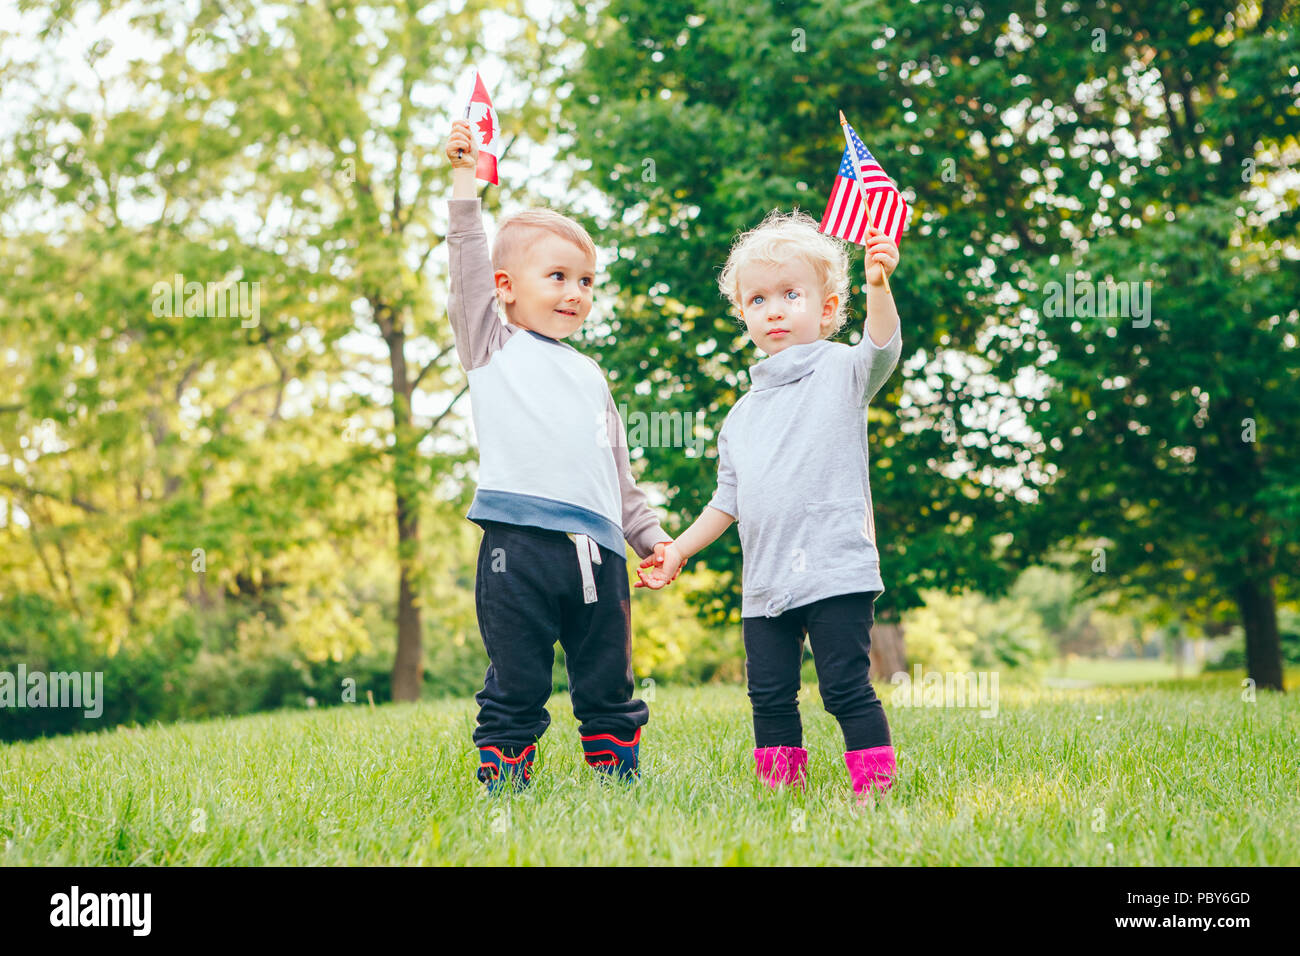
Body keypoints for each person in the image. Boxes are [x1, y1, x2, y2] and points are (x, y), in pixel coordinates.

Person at [636, 209, 902, 801]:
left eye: (790, 294)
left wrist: (879, 287)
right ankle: (782, 793)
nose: (774, 309)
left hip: (836, 570)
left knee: (844, 688)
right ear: (744, 314)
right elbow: (725, 501)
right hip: (764, 580)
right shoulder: (742, 415)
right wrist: (677, 549)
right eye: (758, 299)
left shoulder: (843, 371)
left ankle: (874, 791)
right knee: (770, 695)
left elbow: (882, 347)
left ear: (828, 309)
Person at [444, 119, 674, 792]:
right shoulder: (490, 342)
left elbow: (619, 475)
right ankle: (505, 783)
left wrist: (650, 537)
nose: (576, 293)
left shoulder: (590, 374)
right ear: (506, 285)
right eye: (559, 277)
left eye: (587, 281)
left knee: (608, 674)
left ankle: (616, 776)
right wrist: (465, 182)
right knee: (516, 676)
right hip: (517, 548)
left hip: (599, 552)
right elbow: (464, 263)